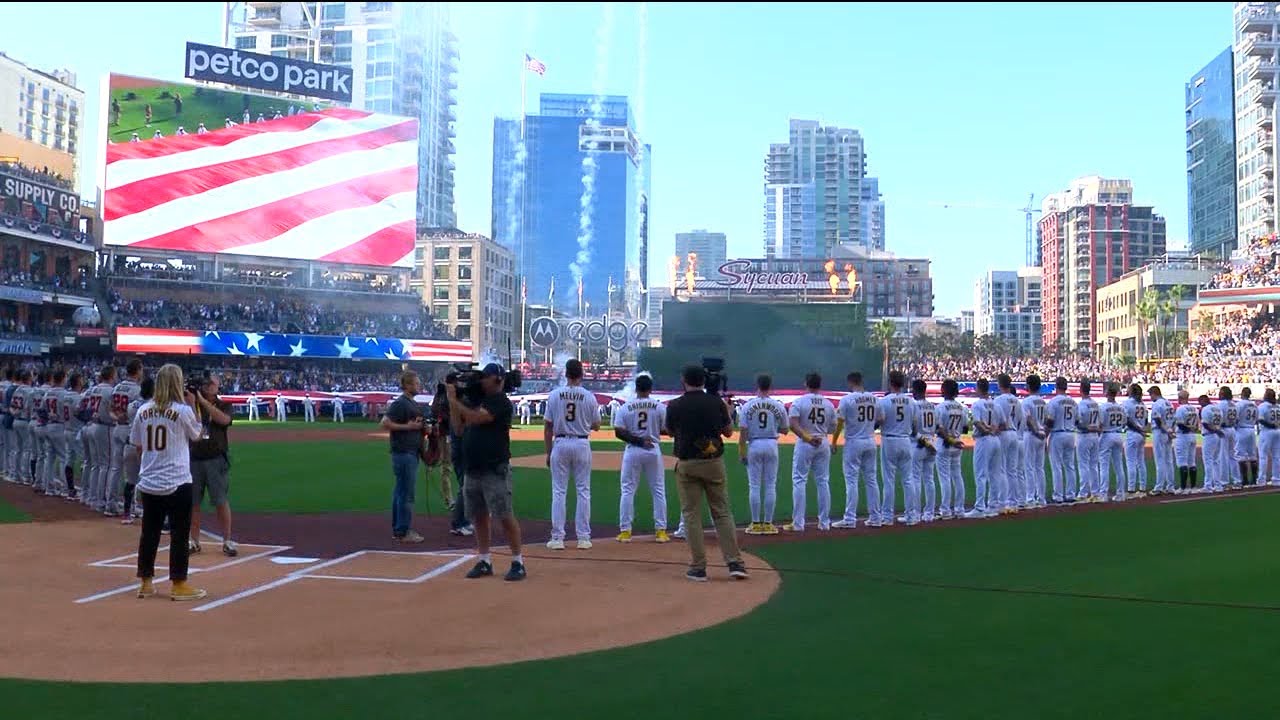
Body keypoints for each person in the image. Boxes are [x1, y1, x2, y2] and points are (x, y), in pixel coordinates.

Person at [664, 364, 747, 582]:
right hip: (713, 461)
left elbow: (670, 430)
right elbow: (728, 432)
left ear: (684, 380)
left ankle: (698, 567)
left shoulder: (675, 405)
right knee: (722, 512)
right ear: (704, 380)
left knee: (691, 515)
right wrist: (727, 413)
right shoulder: (716, 403)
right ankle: (735, 562)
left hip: (688, 462)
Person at [131, 363, 207, 602]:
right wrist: (194, 404)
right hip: (177, 480)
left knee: (149, 533)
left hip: (150, 480)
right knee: (179, 533)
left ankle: (145, 582)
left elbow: (138, 445)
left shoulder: (143, 410)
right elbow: (198, 435)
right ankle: (179, 583)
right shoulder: (183, 411)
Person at [446, 364, 526, 582]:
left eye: (485, 378)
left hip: (494, 468)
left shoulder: (500, 402)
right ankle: (484, 560)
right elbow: (458, 427)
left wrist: (454, 400)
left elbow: (478, 418)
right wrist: (454, 402)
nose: (480, 381)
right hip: (473, 467)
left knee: (504, 515)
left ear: (496, 380)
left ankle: (518, 561)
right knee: (479, 516)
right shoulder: (474, 401)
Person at [543, 359, 600, 550]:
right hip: (582, 442)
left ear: (565, 374)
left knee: (559, 492)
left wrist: (548, 452)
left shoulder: (555, 395)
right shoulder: (589, 396)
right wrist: (583, 422)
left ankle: (557, 538)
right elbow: (597, 425)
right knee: (584, 491)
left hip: (560, 442)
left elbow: (548, 426)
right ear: (581, 374)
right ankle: (583, 537)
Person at [613, 374, 669, 543]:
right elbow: (667, 429)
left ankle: (625, 531)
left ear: (636, 388)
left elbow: (618, 431)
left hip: (633, 449)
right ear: (650, 389)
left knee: (628, 490)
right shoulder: (659, 407)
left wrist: (638, 440)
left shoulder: (626, 407)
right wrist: (652, 433)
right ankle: (661, 531)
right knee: (658, 490)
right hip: (653, 448)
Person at [188, 374, 237, 556]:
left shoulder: (224, 405)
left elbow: (223, 420)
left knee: (220, 500)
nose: (208, 386)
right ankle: (194, 541)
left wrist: (201, 401)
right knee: (193, 502)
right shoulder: (191, 403)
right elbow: (192, 423)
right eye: (206, 383)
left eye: (212, 383)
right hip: (195, 457)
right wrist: (193, 403)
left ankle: (227, 540)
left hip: (216, 458)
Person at [737, 373, 788, 535]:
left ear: (757, 385)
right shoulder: (778, 405)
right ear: (770, 386)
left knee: (755, 485)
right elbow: (786, 429)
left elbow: (743, 432)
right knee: (770, 484)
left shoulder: (748, 406)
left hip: (754, 444)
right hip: (771, 443)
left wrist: (742, 452)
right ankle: (768, 523)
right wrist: (773, 427)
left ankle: (755, 523)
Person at [786, 372, 836, 532]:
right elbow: (833, 427)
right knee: (823, 481)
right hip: (822, 441)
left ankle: (799, 523)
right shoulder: (828, 404)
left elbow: (793, 424)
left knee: (800, 481)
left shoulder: (799, 402)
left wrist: (808, 437)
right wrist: (820, 433)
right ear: (820, 385)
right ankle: (824, 523)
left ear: (805, 383)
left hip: (805, 443)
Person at [380, 371, 426, 543]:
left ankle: (399, 528)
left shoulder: (410, 403)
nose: (418, 386)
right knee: (406, 493)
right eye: (415, 383)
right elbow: (384, 423)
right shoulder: (400, 403)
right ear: (407, 385)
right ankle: (403, 530)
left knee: (400, 492)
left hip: (409, 452)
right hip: (404, 452)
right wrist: (408, 427)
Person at [833, 371, 877, 528]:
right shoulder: (873, 397)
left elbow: (839, 422)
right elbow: (881, 418)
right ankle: (875, 517)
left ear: (850, 382)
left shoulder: (847, 399)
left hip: (854, 441)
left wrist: (834, 441)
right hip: (870, 440)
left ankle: (850, 518)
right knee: (871, 480)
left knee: (851, 481)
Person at [876, 370, 916, 525]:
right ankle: (911, 515)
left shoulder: (884, 401)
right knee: (908, 479)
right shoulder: (910, 401)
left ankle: (887, 517)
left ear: (890, 382)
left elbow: (879, 421)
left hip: (890, 439)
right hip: (906, 440)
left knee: (889, 480)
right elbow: (914, 422)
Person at [108, 360, 144, 515]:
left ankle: (111, 504)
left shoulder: (116, 387)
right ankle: (132, 506)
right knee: (133, 472)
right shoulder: (137, 389)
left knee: (115, 468)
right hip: (129, 429)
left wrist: (116, 418)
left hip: (116, 428)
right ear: (137, 371)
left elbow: (110, 409)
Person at [967, 378, 1004, 519]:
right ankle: (993, 506)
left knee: (981, 474)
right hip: (996, 440)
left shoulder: (977, 404)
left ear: (978, 388)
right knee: (995, 474)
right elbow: (1003, 424)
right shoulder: (996, 405)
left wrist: (987, 430)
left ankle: (980, 507)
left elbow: (977, 423)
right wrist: (994, 430)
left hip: (984, 439)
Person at [121, 378, 154, 525]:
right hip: (146, 447)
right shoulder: (153, 406)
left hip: (130, 443)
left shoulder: (131, 405)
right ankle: (149, 513)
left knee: (130, 481)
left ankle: (127, 514)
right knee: (149, 481)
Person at [86, 365, 118, 512]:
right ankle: (101, 501)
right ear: (111, 375)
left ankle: (92, 498)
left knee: (96, 464)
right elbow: (113, 410)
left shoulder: (94, 388)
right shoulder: (111, 391)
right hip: (105, 427)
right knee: (106, 465)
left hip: (93, 425)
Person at [934, 379, 968, 518]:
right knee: (957, 476)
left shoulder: (940, 407)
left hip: (945, 443)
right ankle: (959, 509)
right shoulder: (962, 408)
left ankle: (945, 510)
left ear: (944, 391)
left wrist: (949, 439)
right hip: (958, 442)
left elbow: (939, 429)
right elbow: (965, 428)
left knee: (945, 478)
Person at [909, 379, 939, 522]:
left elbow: (912, 429)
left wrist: (923, 441)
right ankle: (929, 513)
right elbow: (937, 427)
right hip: (931, 442)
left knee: (915, 479)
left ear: (915, 390)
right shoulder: (933, 406)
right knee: (929, 479)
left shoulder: (914, 406)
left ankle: (915, 513)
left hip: (918, 444)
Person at [1045, 377, 1079, 503]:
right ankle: (1070, 494)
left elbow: (1050, 421)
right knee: (1070, 466)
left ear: (1056, 386)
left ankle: (1058, 495)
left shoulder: (1053, 402)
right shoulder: (1073, 402)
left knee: (1057, 466)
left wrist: (1045, 436)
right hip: (1070, 434)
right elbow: (1077, 421)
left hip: (1057, 433)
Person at [994, 374, 1023, 513]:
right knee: (1013, 470)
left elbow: (996, 420)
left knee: (1002, 469)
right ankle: (1013, 502)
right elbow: (1020, 419)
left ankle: (1003, 502)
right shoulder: (1017, 400)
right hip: (1015, 433)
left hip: (1003, 433)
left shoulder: (998, 400)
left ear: (1000, 384)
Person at [1020, 375, 1048, 508]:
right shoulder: (1043, 401)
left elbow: (1028, 419)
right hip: (1041, 435)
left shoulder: (1027, 401)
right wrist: (1044, 433)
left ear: (1028, 386)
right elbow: (1048, 420)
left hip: (1031, 434)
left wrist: (1036, 431)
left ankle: (1030, 498)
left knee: (1029, 467)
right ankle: (1041, 498)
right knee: (1039, 468)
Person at [1098, 383, 1127, 502]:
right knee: (1119, 465)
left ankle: (1103, 494)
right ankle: (1121, 493)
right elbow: (1125, 422)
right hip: (1119, 435)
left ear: (1107, 393)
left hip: (1107, 434)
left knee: (1104, 466)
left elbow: (1100, 424)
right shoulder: (1121, 407)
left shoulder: (1103, 407)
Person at [1075, 381, 1102, 503]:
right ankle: (1095, 491)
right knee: (1093, 465)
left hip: (1084, 435)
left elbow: (1078, 422)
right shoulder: (1095, 404)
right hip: (1095, 435)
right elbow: (1101, 422)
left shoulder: (1082, 404)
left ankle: (1083, 492)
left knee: (1083, 465)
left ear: (1081, 390)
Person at [43, 369, 68, 497]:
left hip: (48, 426)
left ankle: (49, 487)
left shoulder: (47, 393)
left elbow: (41, 411)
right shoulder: (65, 394)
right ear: (63, 378)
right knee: (64, 458)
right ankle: (64, 489)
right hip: (60, 426)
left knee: (50, 458)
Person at [1122, 384, 1150, 497]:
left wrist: (1138, 429)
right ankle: (1142, 488)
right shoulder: (1142, 404)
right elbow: (1146, 420)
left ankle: (1131, 489)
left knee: (1131, 462)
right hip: (1141, 434)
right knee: (1141, 462)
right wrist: (1142, 429)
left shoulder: (1127, 403)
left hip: (1133, 433)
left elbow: (1127, 420)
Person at [1149, 386, 1176, 495]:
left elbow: (1158, 420)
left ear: (1155, 393)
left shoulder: (1157, 404)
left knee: (1160, 460)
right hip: (1168, 432)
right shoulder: (1169, 403)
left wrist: (1166, 430)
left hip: (1160, 432)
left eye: (1151, 394)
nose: (1150, 397)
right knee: (1169, 461)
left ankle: (1159, 487)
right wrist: (1171, 430)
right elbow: (1174, 419)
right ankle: (1170, 486)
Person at [1173, 390, 1201, 493]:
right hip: (1192, 435)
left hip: (1183, 436)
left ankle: (1183, 487)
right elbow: (1197, 424)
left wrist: (1188, 428)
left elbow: (1180, 424)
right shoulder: (1194, 408)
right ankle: (1193, 487)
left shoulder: (1180, 409)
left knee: (1182, 462)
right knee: (1192, 462)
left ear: (1181, 398)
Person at [9, 369, 32, 484]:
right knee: (27, 449)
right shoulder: (30, 391)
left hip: (16, 421)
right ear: (28, 378)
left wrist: (15, 413)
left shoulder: (17, 390)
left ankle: (15, 474)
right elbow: (28, 409)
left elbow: (11, 406)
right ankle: (25, 475)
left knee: (17, 449)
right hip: (25, 421)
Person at [1200, 394, 1225, 493]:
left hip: (1210, 435)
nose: (1200, 404)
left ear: (1203, 401)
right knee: (1216, 461)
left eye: (1200, 402)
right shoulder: (1218, 409)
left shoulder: (1206, 409)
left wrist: (1214, 430)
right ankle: (1218, 485)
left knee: (1208, 460)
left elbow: (1205, 424)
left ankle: (1208, 485)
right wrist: (1217, 431)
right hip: (1217, 435)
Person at [1235, 387, 1259, 486]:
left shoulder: (1239, 404)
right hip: (1251, 429)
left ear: (1242, 394)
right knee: (1253, 455)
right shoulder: (1254, 405)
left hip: (1241, 429)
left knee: (1240, 456)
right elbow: (1257, 419)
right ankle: (1254, 479)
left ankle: (1244, 479)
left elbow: (1236, 417)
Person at [1258, 389, 1279, 486]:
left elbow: (1261, 420)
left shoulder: (1263, 406)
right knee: (1277, 456)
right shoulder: (1278, 406)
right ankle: (1276, 479)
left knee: (1263, 456)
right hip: (1277, 431)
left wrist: (1271, 426)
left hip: (1267, 431)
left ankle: (1262, 479)